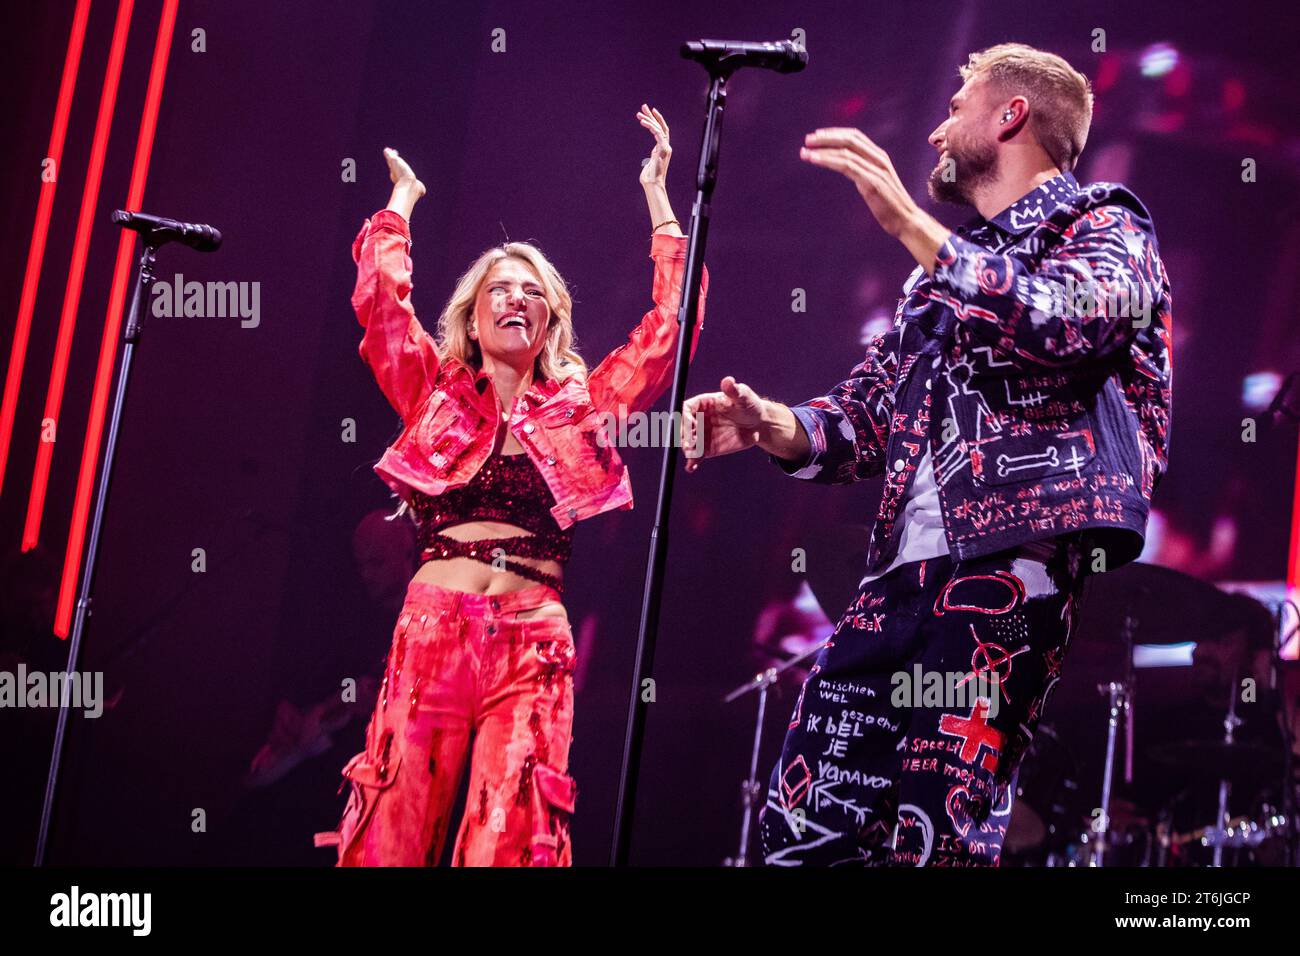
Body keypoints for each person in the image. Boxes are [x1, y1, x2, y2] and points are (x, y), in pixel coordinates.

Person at [684, 43, 1172, 866]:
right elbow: (871, 415)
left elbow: (1065, 324)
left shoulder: (1104, 223)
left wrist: (912, 224)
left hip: (1011, 566)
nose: (941, 128)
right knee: (802, 835)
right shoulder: (935, 282)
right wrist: (776, 426)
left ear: (1010, 115)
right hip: (893, 583)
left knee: (934, 838)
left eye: (957, 106)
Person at [313, 104, 708, 866]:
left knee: (512, 839)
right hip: (431, 629)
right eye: (499, 289)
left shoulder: (585, 406)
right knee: (391, 829)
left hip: (532, 637)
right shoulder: (433, 390)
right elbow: (381, 309)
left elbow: (672, 324)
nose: (514, 299)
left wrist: (658, 197)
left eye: (531, 291)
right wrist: (401, 203)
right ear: (474, 313)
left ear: (551, 317)